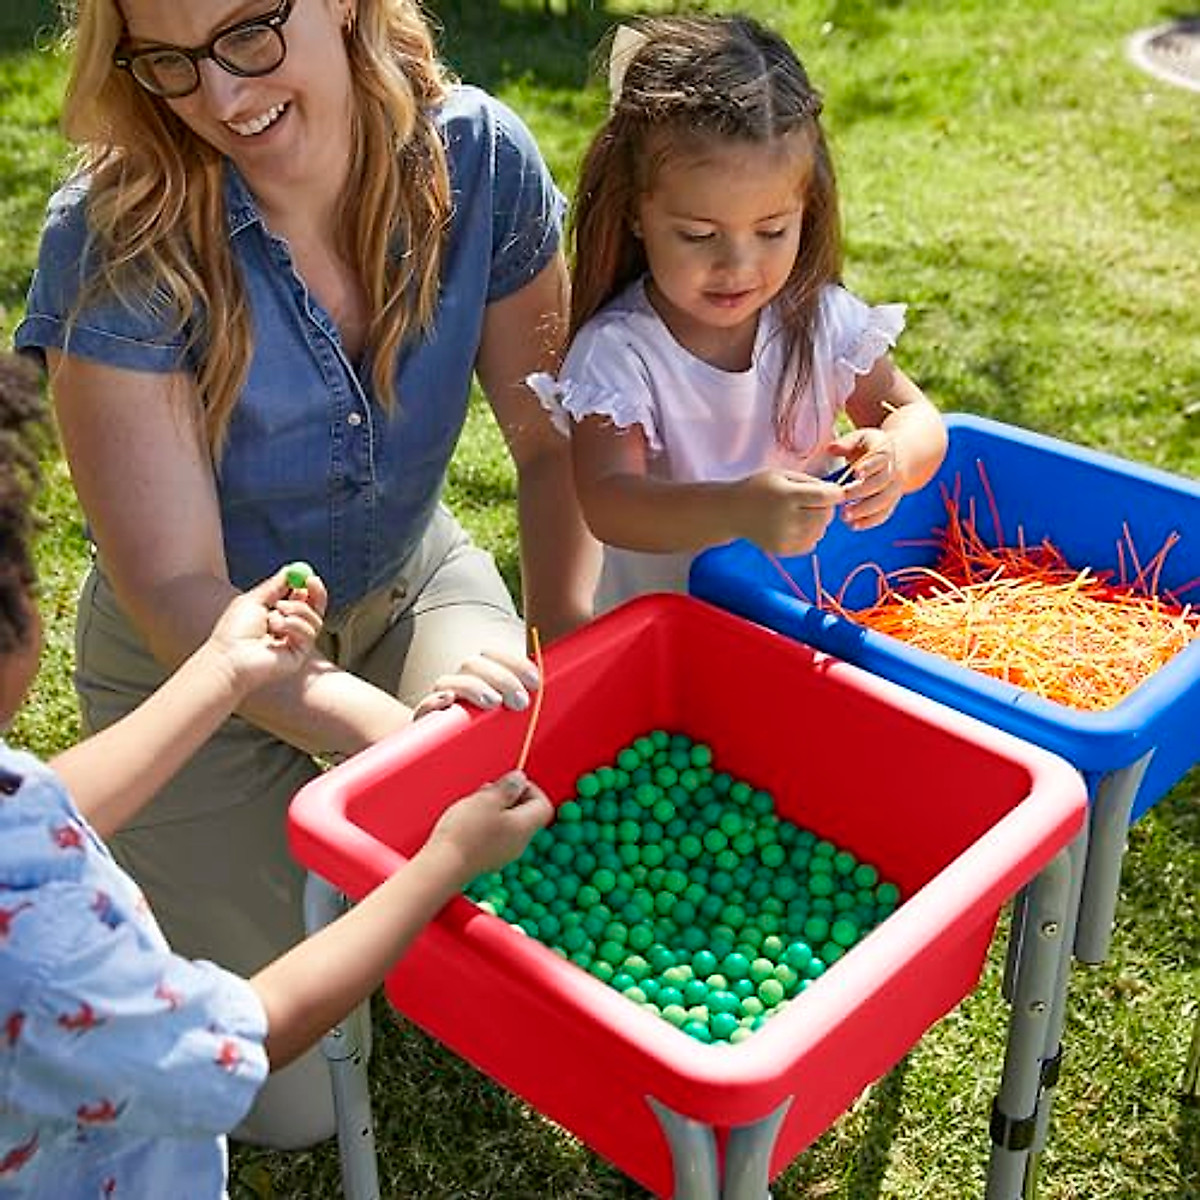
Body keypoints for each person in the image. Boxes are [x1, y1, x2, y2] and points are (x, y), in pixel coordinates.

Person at [14, 0, 596, 1148]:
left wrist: (568, 653)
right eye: (170, 63)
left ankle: (379, 873)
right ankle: (334, 862)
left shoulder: (480, 159)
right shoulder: (112, 235)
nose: (223, 98)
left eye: (249, 36)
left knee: (524, 852)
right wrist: (398, 739)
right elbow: (181, 590)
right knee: (285, 1110)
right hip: (195, 673)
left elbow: (552, 441)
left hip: (404, 590)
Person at [0, 351, 554, 1198]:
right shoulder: (45, 958)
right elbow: (245, 1037)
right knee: (288, 1104)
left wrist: (221, 669)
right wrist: (440, 863)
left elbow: (43, 806)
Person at [527, 15, 948, 612]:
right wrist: (736, 508)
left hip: (799, 618)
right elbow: (610, 503)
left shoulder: (819, 320)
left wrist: (895, 457)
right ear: (636, 215)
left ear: (807, 208)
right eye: (699, 235)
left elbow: (917, 415)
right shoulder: (621, 353)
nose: (738, 265)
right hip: (671, 638)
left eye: (772, 230)